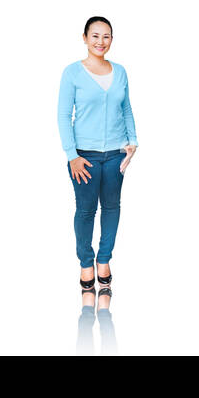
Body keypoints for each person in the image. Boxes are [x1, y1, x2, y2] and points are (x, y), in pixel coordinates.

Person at [58, 16, 138, 308]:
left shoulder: (120, 72)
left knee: (113, 208)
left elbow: (126, 108)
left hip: (116, 154)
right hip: (85, 157)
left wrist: (133, 143)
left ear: (111, 40)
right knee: (86, 210)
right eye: (95, 36)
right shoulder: (73, 73)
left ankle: (104, 260)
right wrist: (72, 156)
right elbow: (63, 116)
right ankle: (86, 263)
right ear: (84, 38)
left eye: (106, 37)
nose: (100, 42)